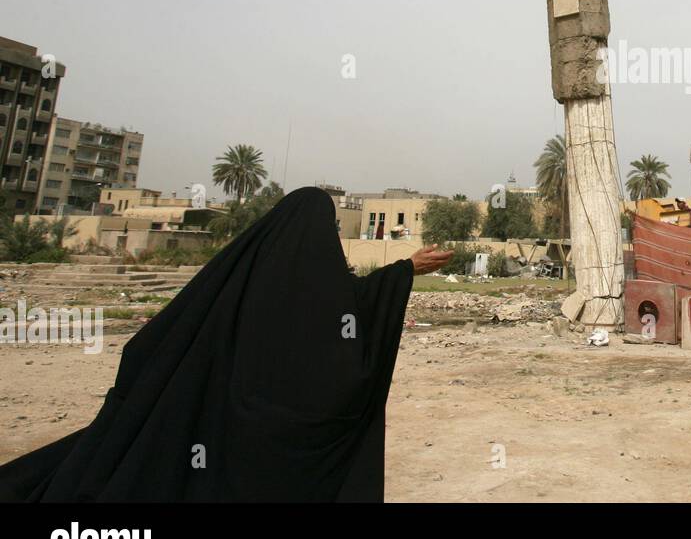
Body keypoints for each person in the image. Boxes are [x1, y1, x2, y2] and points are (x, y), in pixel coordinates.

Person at [0, 186, 451, 502]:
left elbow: (167, 334)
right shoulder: (316, 284)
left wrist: (402, 269)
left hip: (225, 426)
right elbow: (342, 322)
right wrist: (402, 273)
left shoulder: (240, 278)